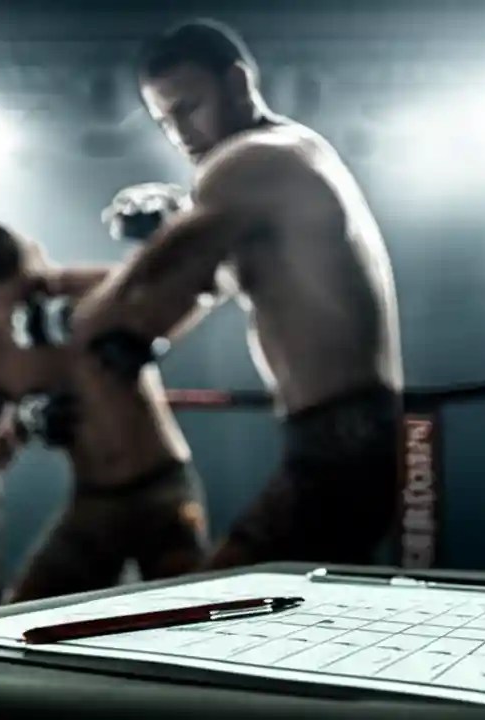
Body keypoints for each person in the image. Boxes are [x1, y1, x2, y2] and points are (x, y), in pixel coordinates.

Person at [65, 18, 405, 568]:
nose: (180, 134)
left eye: (188, 107)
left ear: (238, 83)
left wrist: (81, 327)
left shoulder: (252, 159)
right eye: (164, 120)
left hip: (343, 437)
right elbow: (211, 281)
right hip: (341, 435)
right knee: (284, 620)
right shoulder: (287, 154)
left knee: (218, 604)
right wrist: (133, 337)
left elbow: (156, 269)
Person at [0, 221, 209, 602]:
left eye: (34, 286)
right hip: (94, 501)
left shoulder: (95, 292)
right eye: (15, 303)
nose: (34, 305)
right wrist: (18, 424)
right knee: (21, 620)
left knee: (191, 611)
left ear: (36, 257)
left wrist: (140, 333)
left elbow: (196, 294)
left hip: (163, 487)